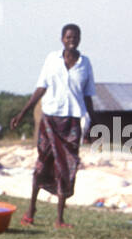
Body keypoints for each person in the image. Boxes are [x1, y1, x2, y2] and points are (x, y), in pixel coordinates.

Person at [11, 23, 95, 227]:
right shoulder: (52, 60)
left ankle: (59, 218)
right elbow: (41, 87)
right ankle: (30, 210)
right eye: (68, 37)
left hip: (73, 122)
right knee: (42, 165)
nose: (72, 40)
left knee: (66, 167)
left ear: (80, 39)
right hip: (50, 119)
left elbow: (88, 97)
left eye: (75, 37)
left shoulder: (85, 63)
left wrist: (90, 126)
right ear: (62, 39)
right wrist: (23, 113)